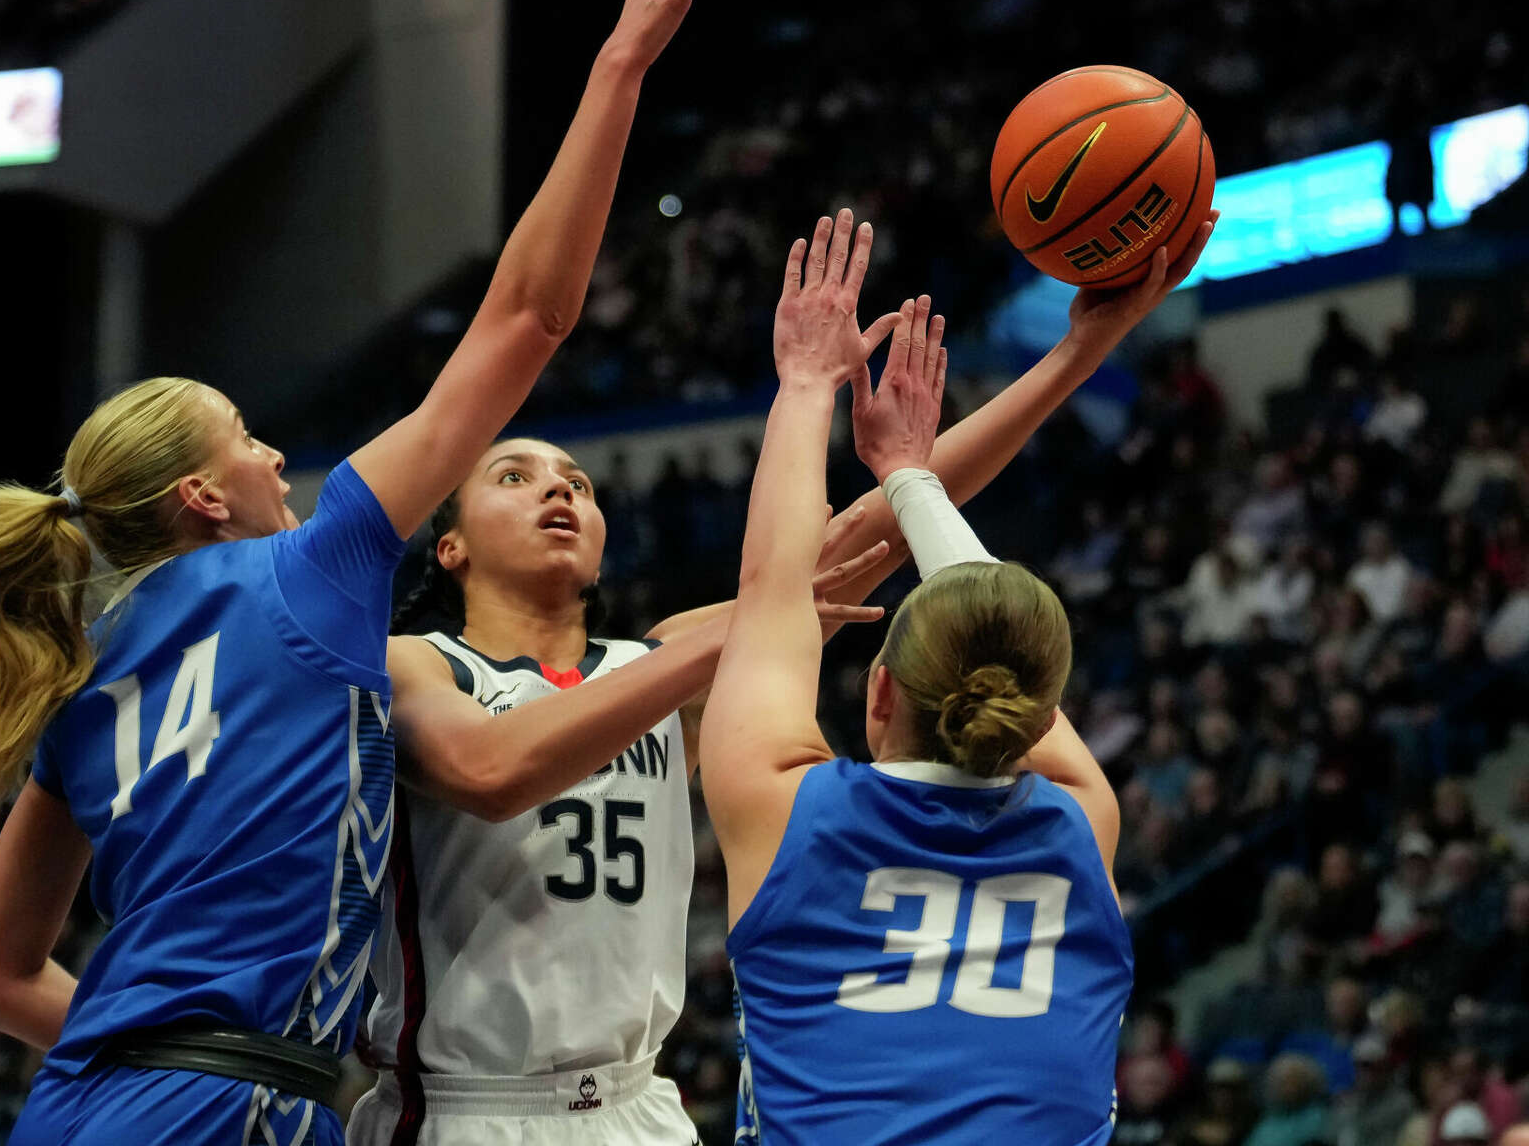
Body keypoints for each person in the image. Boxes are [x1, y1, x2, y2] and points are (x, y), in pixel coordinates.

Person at [0, 0, 724, 1144]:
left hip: (78, 1107)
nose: (278, 453)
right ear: (199, 494)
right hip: (233, 1100)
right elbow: (527, 317)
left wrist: (137, 1056)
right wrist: (620, 63)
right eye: (247, 437)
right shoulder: (309, 569)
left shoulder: (81, 680)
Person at [352, 205, 1214, 1144]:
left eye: (580, 482)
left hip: (640, 1104)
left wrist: (1074, 356)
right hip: (471, 1103)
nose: (560, 487)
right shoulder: (414, 665)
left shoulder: (663, 657)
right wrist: (735, 634)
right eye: (514, 477)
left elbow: (884, 527)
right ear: (448, 547)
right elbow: (489, 769)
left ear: (603, 545)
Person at [702, 214, 1142, 1144]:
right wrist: (905, 474)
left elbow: (774, 588)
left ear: (879, 695)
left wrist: (810, 384)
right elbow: (781, 593)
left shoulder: (789, 815)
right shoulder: (1079, 817)